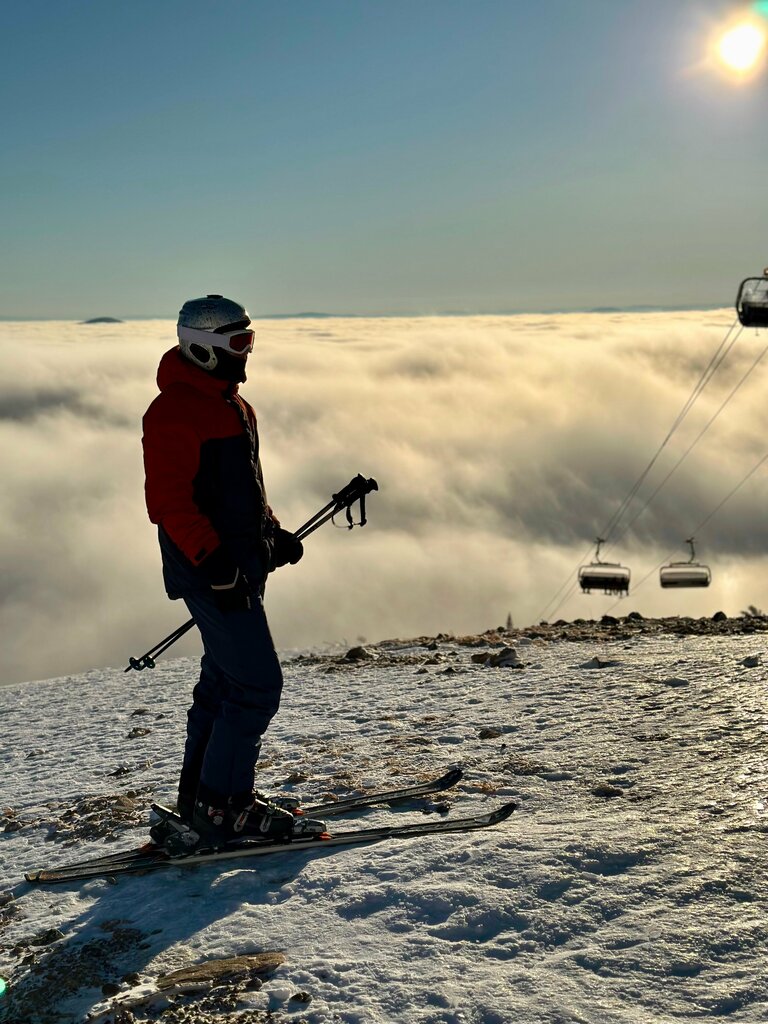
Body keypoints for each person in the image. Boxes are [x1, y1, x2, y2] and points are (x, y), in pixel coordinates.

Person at [142, 294, 317, 847]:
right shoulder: (172, 411)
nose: (247, 353)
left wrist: (271, 532)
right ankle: (224, 805)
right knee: (256, 685)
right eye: (238, 343)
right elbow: (168, 502)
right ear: (203, 347)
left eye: (250, 340)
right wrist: (215, 562)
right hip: (210, 573)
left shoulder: (235, 406)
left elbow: (245, 489)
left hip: (235, 567)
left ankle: (199, 800)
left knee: (222, 684)